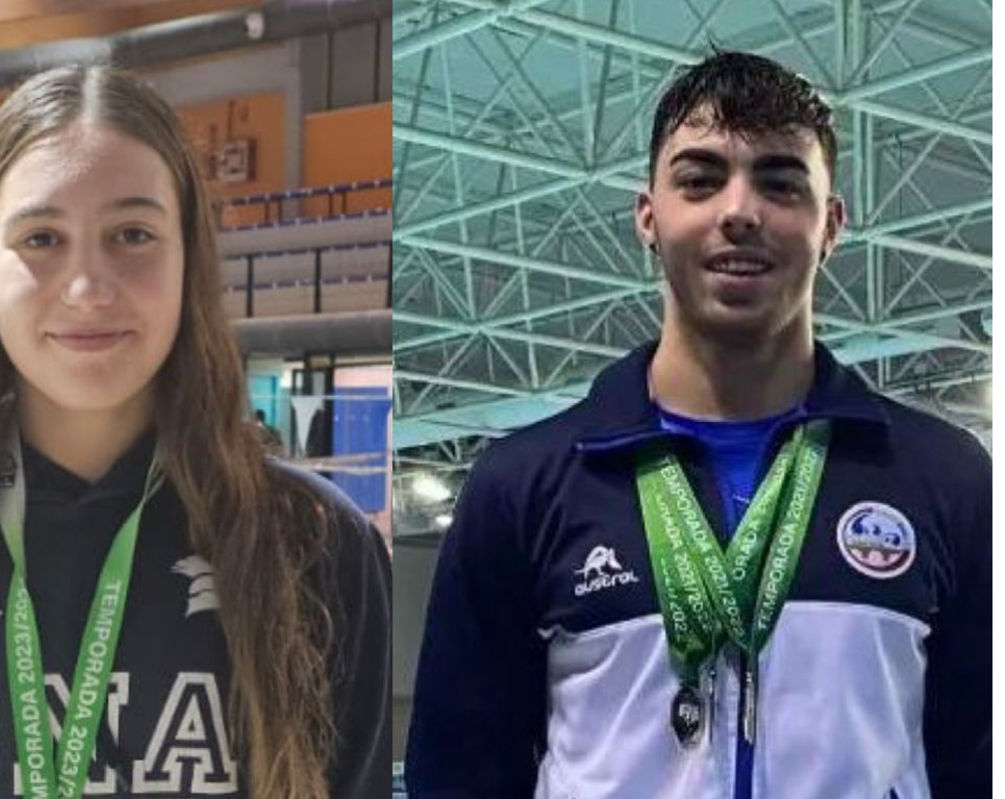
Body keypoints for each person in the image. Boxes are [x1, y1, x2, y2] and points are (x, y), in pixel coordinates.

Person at [405, 50, 988, 799]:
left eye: (780, 182)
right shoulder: (523, 484)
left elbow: (975, 756)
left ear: (831, 224)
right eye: (700, 179)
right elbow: (462, 771)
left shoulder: (943, 476)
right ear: (648, 216)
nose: (738, 210)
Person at [0, 66, 390, 799]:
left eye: (133, 234)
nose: (88, 287)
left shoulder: (315, 544)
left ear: (189, 258)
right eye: (42, 237)